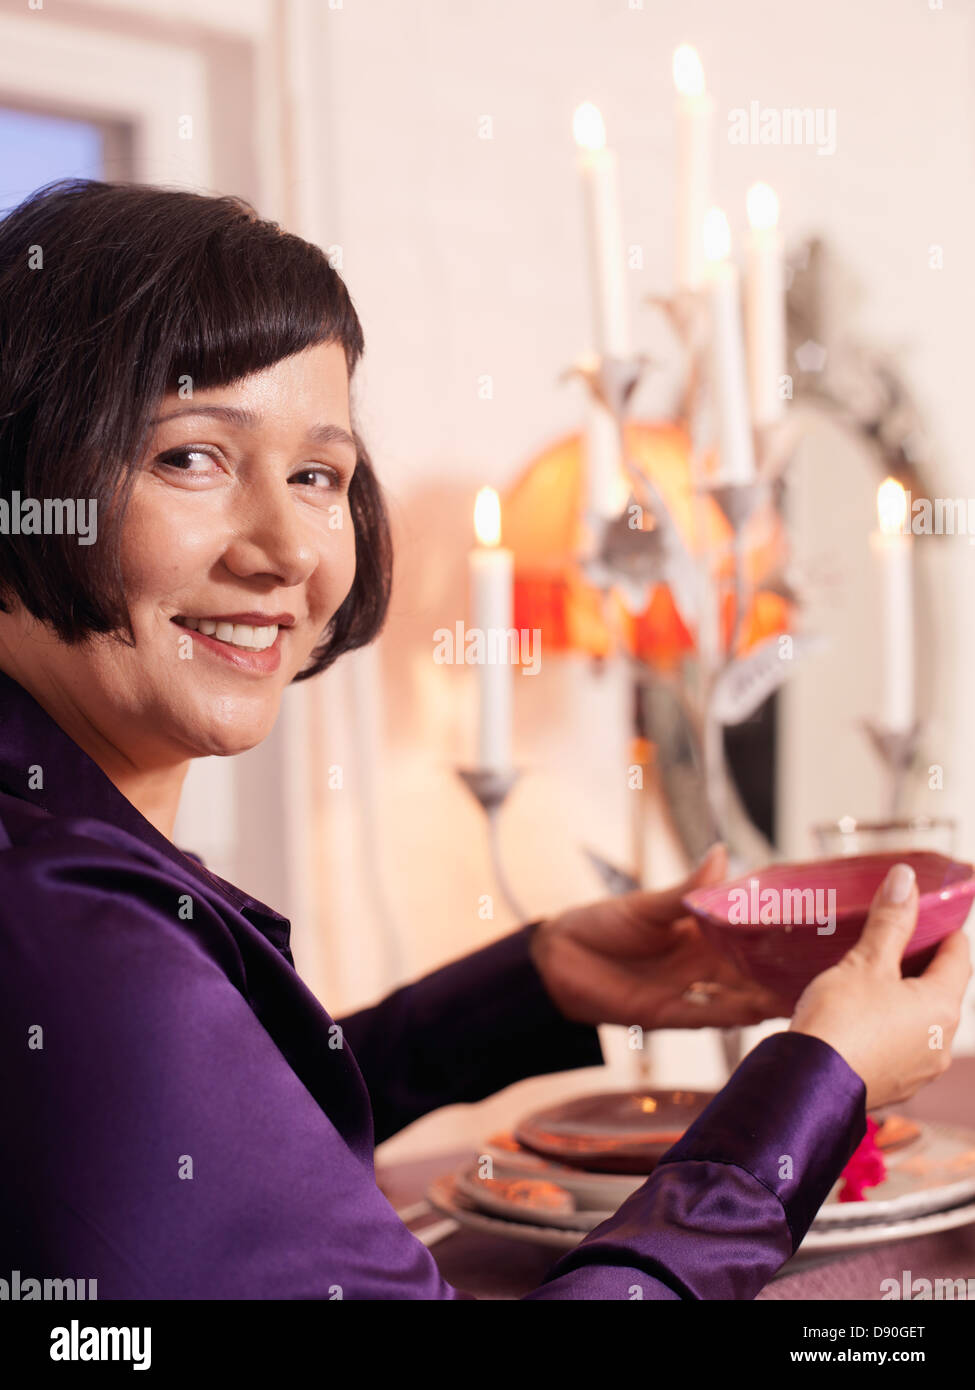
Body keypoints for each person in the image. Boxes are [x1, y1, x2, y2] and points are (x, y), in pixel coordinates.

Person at [0, 180, 969, 1301]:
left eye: (318, 474)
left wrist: (537, 983)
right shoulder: (75, 927)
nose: (284, 549)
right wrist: (815, 1082)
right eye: (191, 457)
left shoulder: (58, 860)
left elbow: (214, 1151)